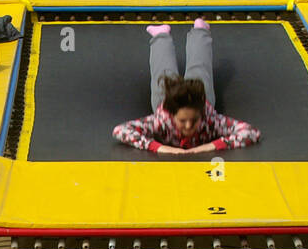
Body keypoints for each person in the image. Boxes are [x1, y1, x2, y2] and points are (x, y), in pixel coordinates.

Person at [112, 20, 261, 155]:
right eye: (182, 121)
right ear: (173, 115)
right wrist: (159, 147)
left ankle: (200, 31)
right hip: (166, 98)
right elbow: (121, 131)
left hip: (201, 98)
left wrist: (210, 146)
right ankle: (161, 35)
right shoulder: (160, 122)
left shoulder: (210, 120)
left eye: (194, 120)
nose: (189, 126)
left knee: (200, 69)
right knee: (163, 72)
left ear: (200, 115)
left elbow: (251, 132)